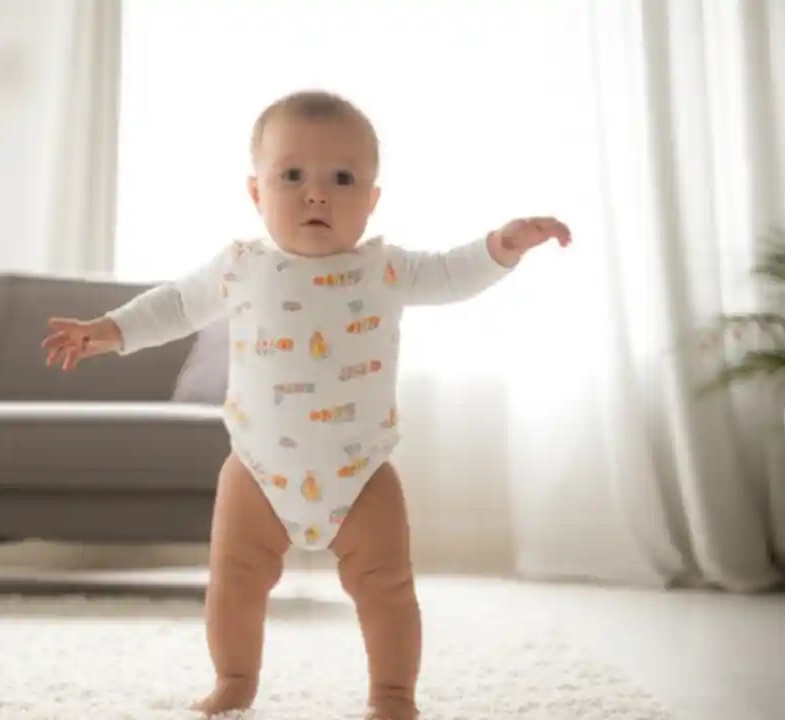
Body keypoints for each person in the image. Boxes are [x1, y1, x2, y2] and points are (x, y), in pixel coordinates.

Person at [42, 89, 572, 720]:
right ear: (256, 192)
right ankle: (235, 679)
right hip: (258, 470)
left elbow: (455, 274)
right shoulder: (240, 266)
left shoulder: (387, 269)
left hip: (361, 471)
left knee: (387, 589)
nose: (316, 193)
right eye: (292, 175)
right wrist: (111, 329)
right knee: (235, 583)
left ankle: (394, 695)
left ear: (372, 201)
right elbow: (176, 306)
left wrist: (502, 246)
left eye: (342, 178)